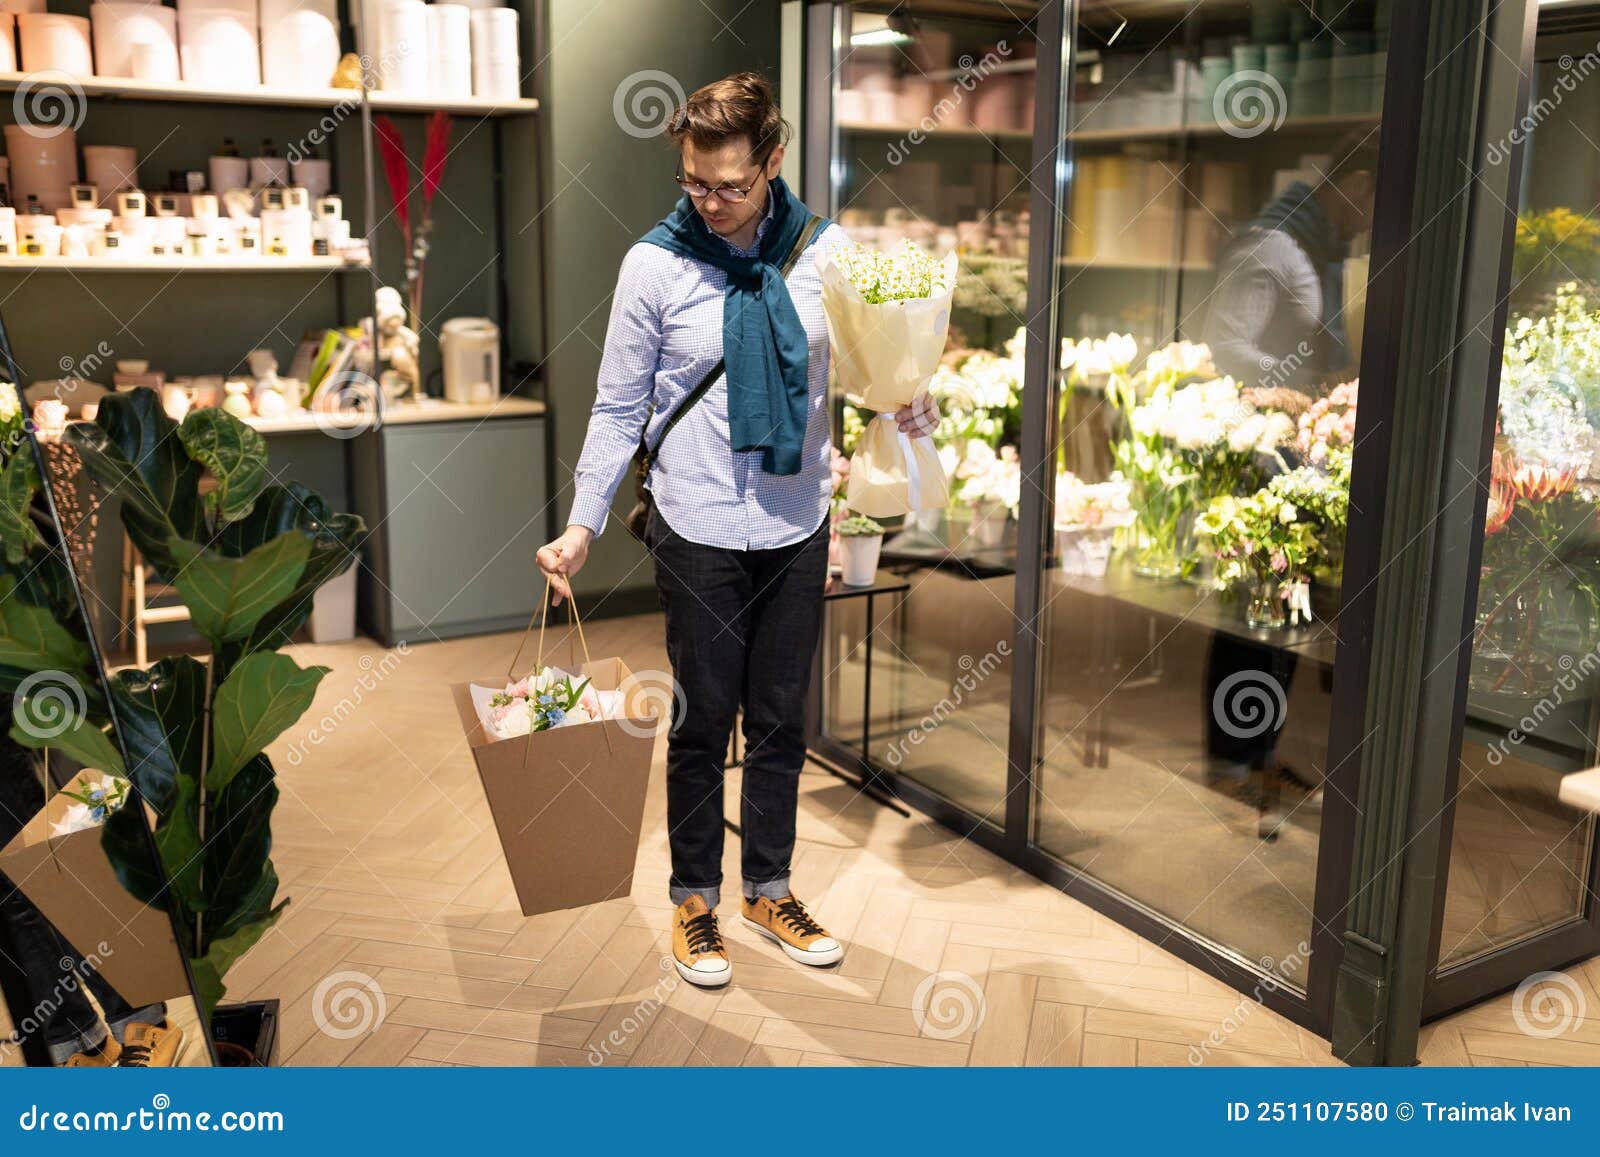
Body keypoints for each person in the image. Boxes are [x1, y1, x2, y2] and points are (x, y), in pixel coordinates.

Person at [536, 73, 936, 987]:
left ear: (774, 163)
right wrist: (580, 524)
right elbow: (616, 408)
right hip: (698, 521)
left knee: (783, 717)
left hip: (797, 520)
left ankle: (768, 886)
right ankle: (694, 901)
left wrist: (910, 404)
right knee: (703, 717)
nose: (711, 204)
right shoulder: (655, 265)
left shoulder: (827, 256)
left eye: (731, 186)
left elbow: (879, 372)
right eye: (694, 184)